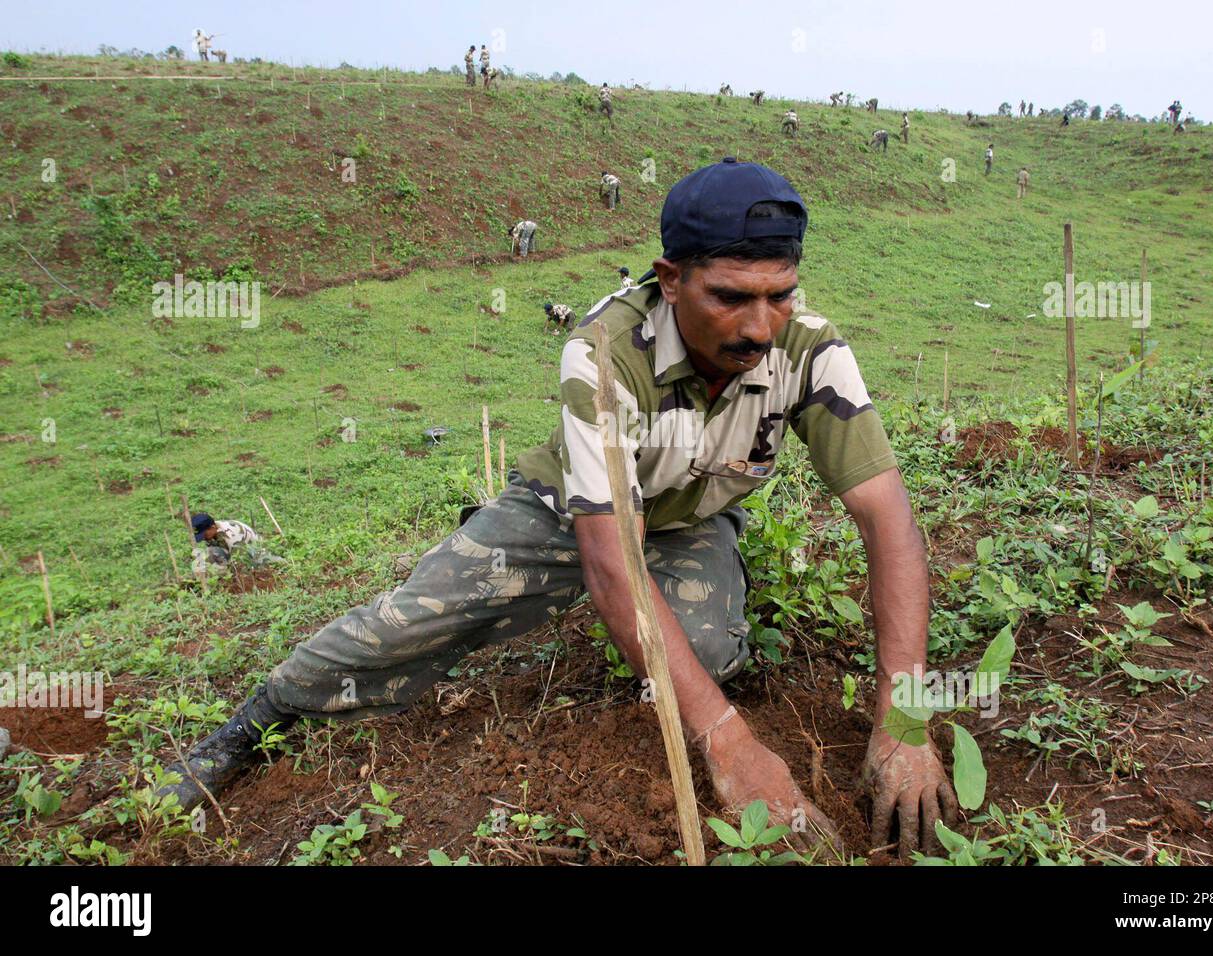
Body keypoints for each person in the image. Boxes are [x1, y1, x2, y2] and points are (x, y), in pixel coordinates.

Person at [155, 156, 958, 860]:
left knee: (704, 655)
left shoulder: (810, 349)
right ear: (670, 278)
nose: (758, 327)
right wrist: (729, 743)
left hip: (690, 515)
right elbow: (615, 568)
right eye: (730, 297)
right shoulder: (604, 353)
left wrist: (906, 716)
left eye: (779, 296)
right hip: (565, 511)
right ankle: (253, 721)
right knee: (409, 621)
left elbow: (888, 520)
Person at [191, 513, 284, 571]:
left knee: (268, 564)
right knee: (209, 555)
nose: (203, 538)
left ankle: (281, 561)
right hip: (232, 550)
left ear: (212, 528)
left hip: (254, 550)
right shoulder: (213, 529)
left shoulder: (231, 537)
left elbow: (239, 563)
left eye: (204, 535)